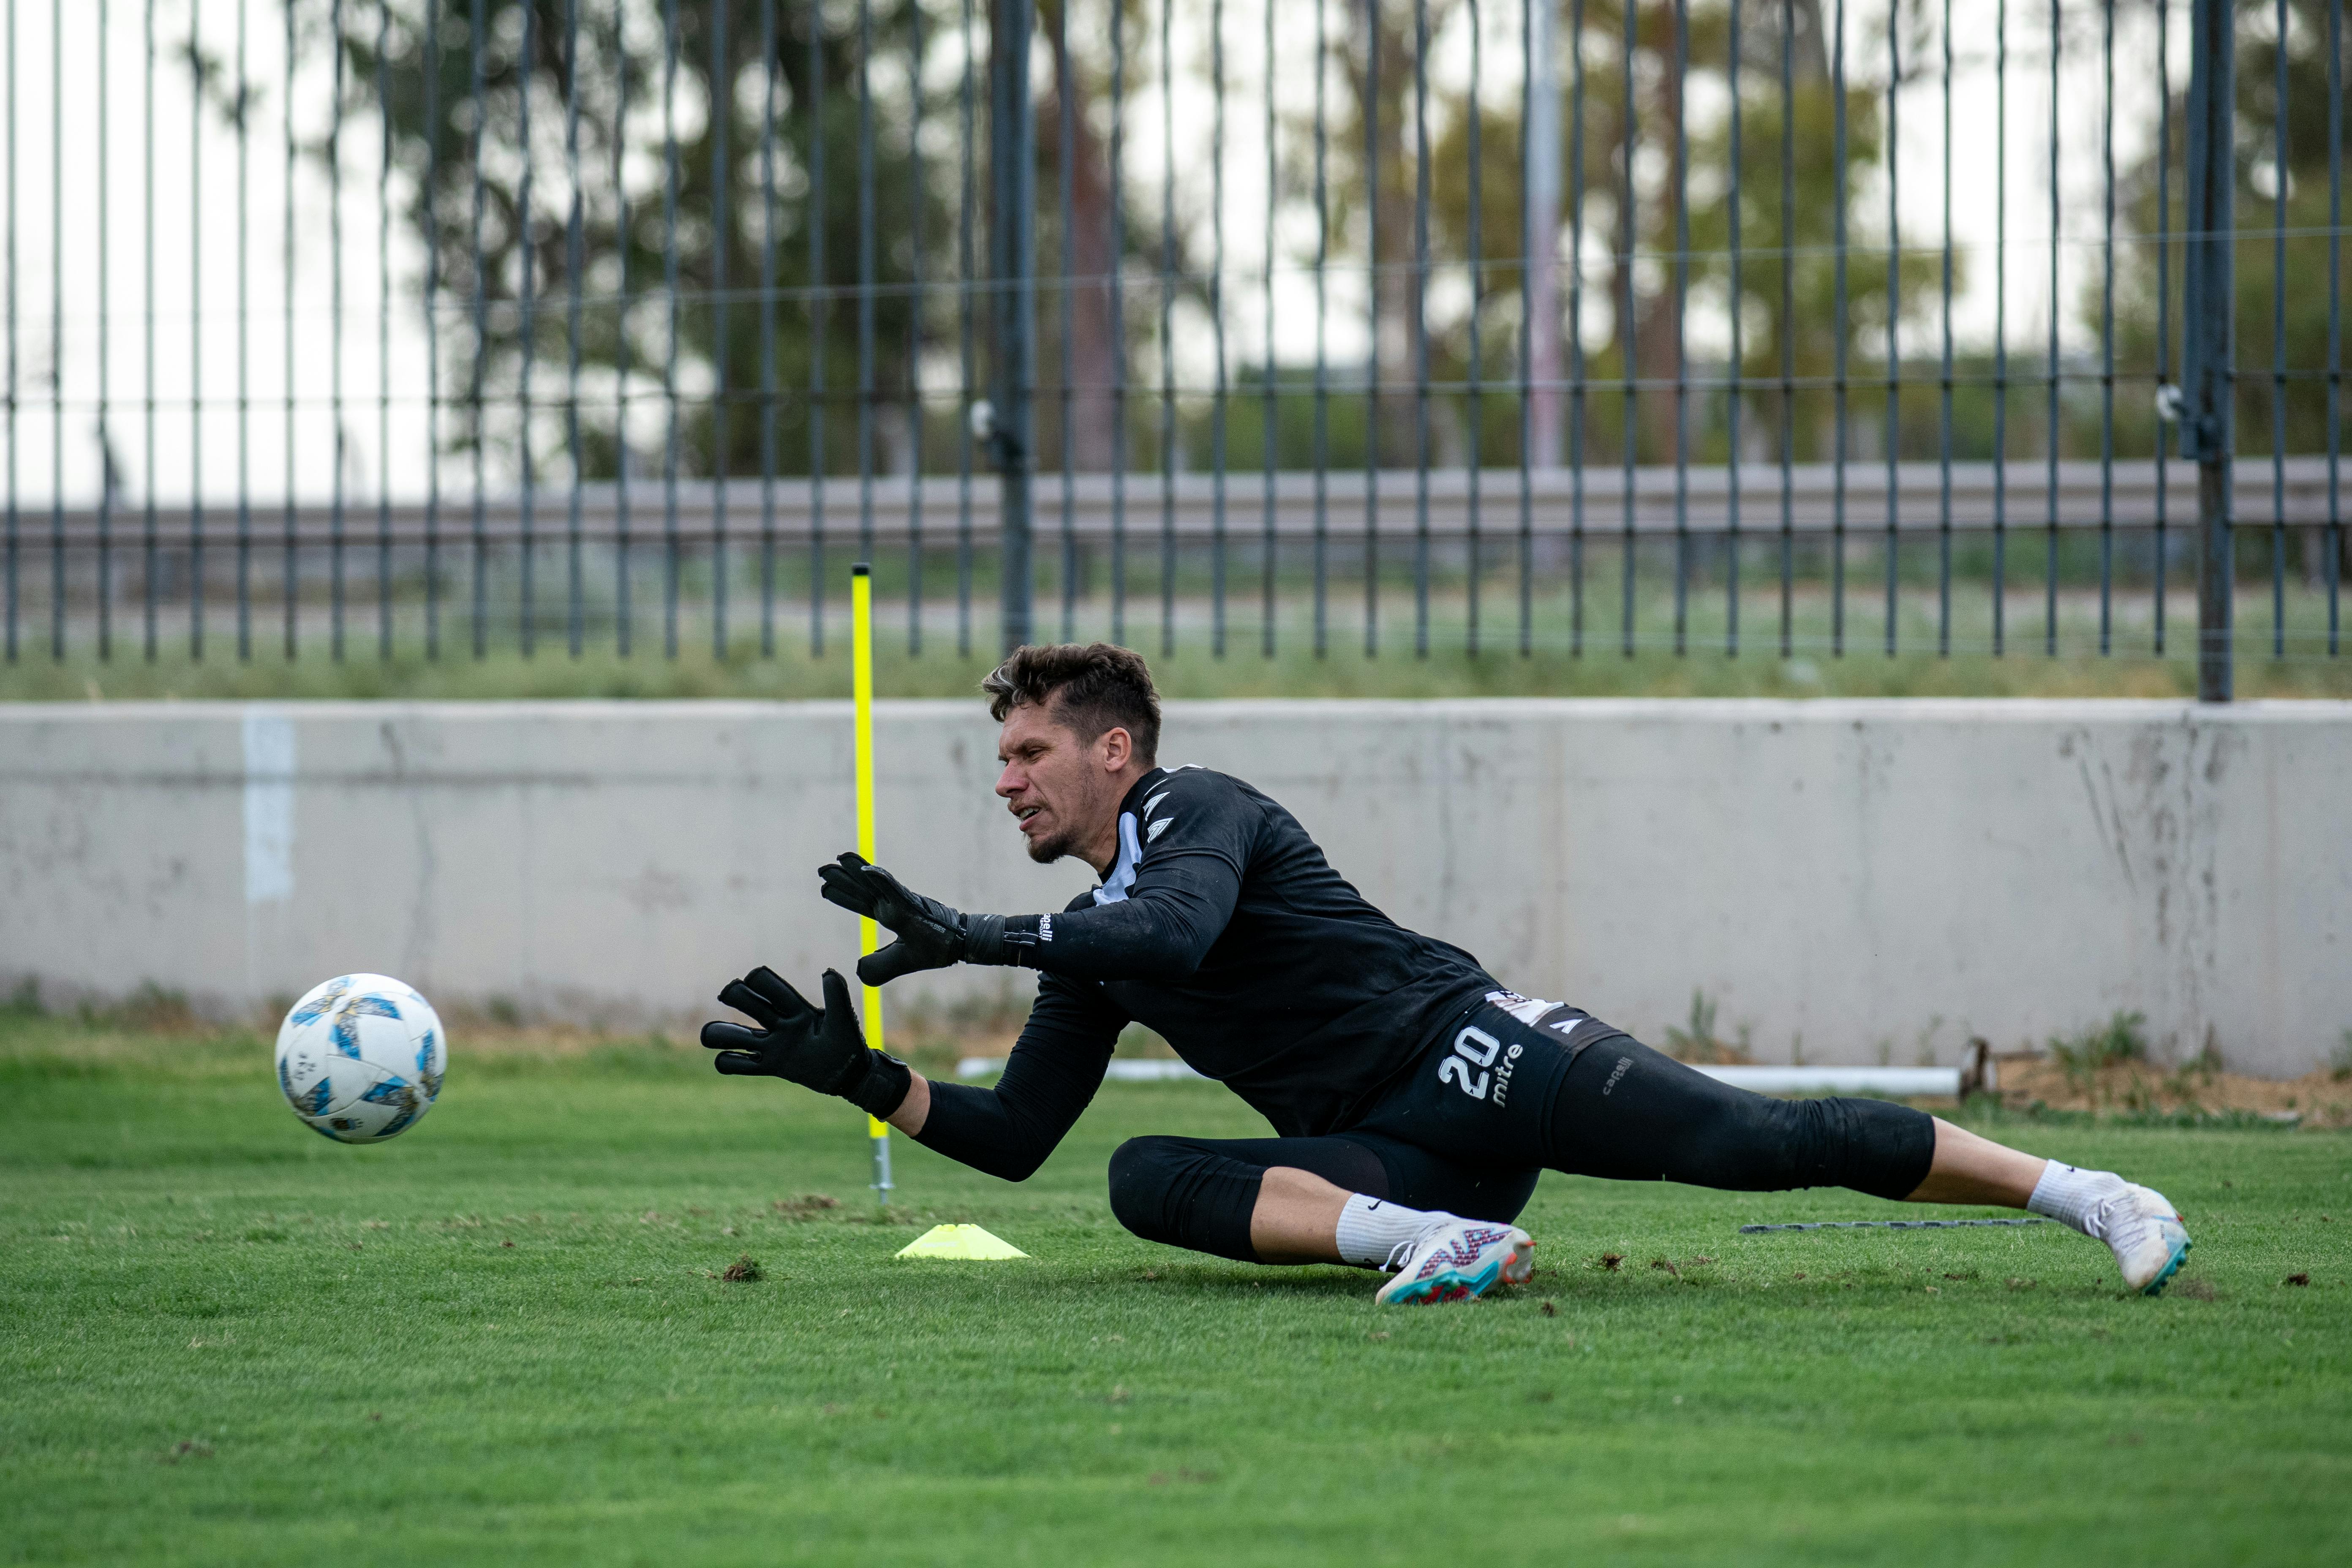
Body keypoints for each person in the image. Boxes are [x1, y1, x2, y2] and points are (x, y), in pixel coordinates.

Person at [700, 643, 2193, 1304]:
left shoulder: (1195, 811)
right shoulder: (1087, 937)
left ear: (1116, 751)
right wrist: (870, 1084)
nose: (1010, 784)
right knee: (1138, 1174)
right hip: (1389, 1160)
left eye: (1029, 754)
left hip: (1468, 1050)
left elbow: (1172, 935)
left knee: (1747, 1142)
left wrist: (969, 932)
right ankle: (1433, 1242)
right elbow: (1019, 1141)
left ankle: (2094, 1197)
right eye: (1000, 762)